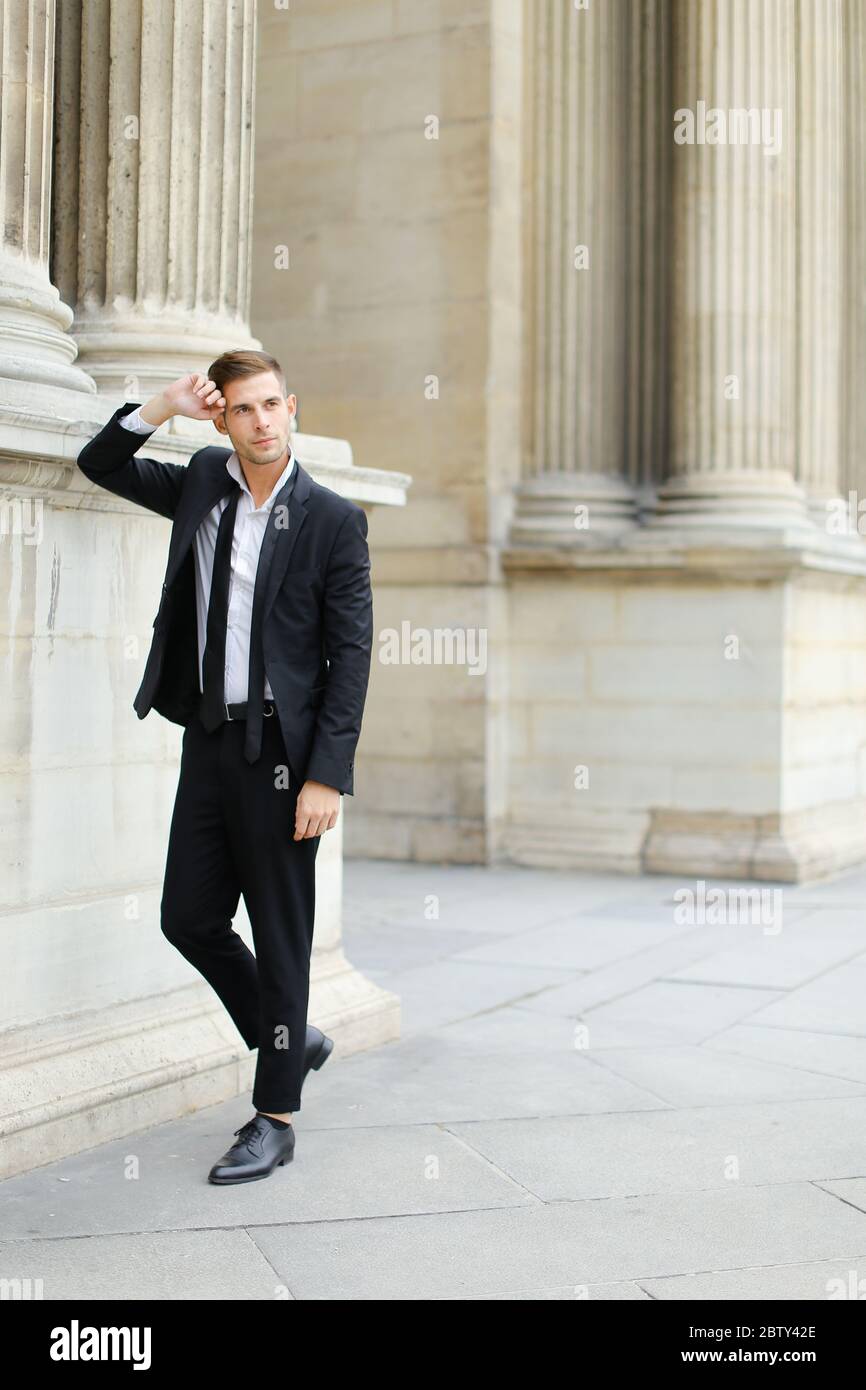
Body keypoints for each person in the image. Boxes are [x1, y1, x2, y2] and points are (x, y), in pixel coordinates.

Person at [77, 350, 373, 1184]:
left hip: (285, 756)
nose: (262, 422)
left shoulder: (332, 520)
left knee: (281, 940)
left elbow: (351, 657)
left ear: (292, 407)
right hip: (208, 740)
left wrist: (326, 775)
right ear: (224, 420)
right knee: (188, 917)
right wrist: (164, 405)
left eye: (273, 405)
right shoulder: (204, 481)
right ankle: (291, 1038)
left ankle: (274, 1116)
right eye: (244, 410)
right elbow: (101, 464)